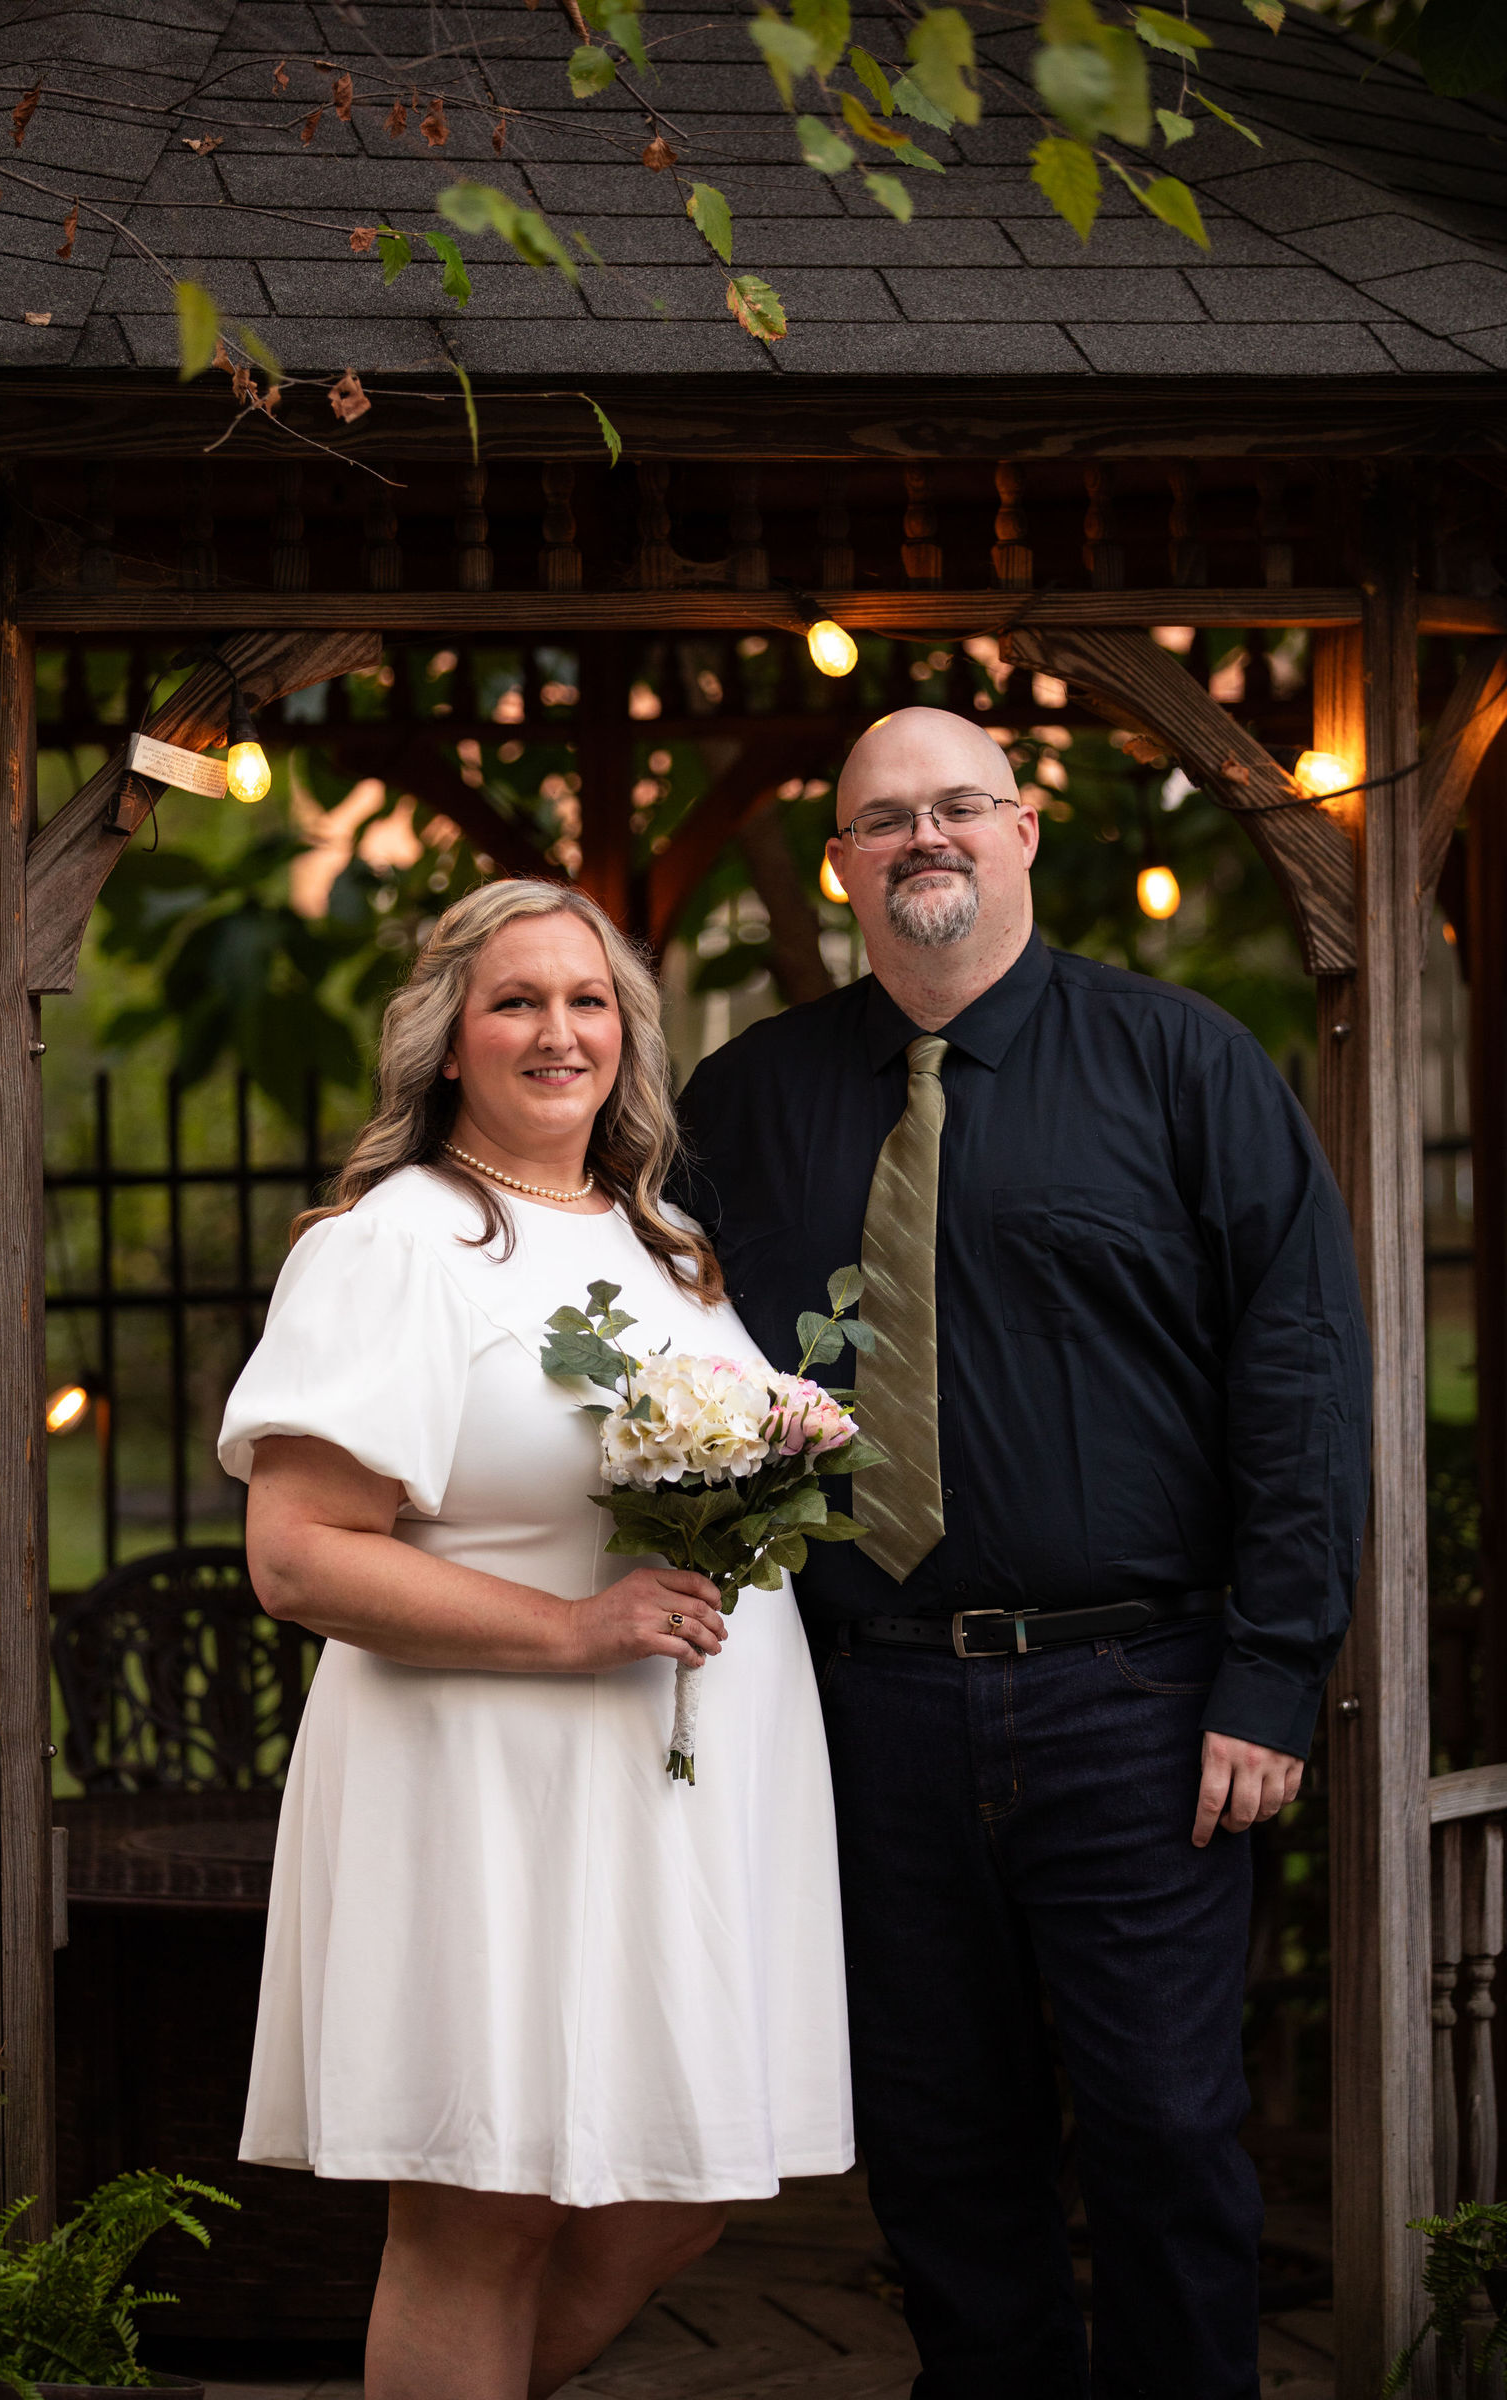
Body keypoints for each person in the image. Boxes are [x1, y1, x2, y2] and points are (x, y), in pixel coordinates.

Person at [675, 706, 1372, 2400]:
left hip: (1139, 1698)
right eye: (884, 817)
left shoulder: (1185, 1064)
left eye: (959, 807)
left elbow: (1298, 1373)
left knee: (1164, 2127)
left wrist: (1273, 1674)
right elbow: (664, 1373)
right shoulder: (745, 1102)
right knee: (935, 2142)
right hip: (866, 1709)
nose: (926, 836)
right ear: (841, 860)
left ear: (1027, 831)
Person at [217, 879, 851, 2400]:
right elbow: (298, 1557)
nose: (558, 1032)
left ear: (628, 1037)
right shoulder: (394, 1244)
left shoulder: (666, 1244)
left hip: (661, 1808)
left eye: (589, 1002)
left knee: (679, 2197)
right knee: (479, 2214)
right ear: (449, 1042)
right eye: (517, 1001)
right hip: (482, 1790)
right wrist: (573, 1629)